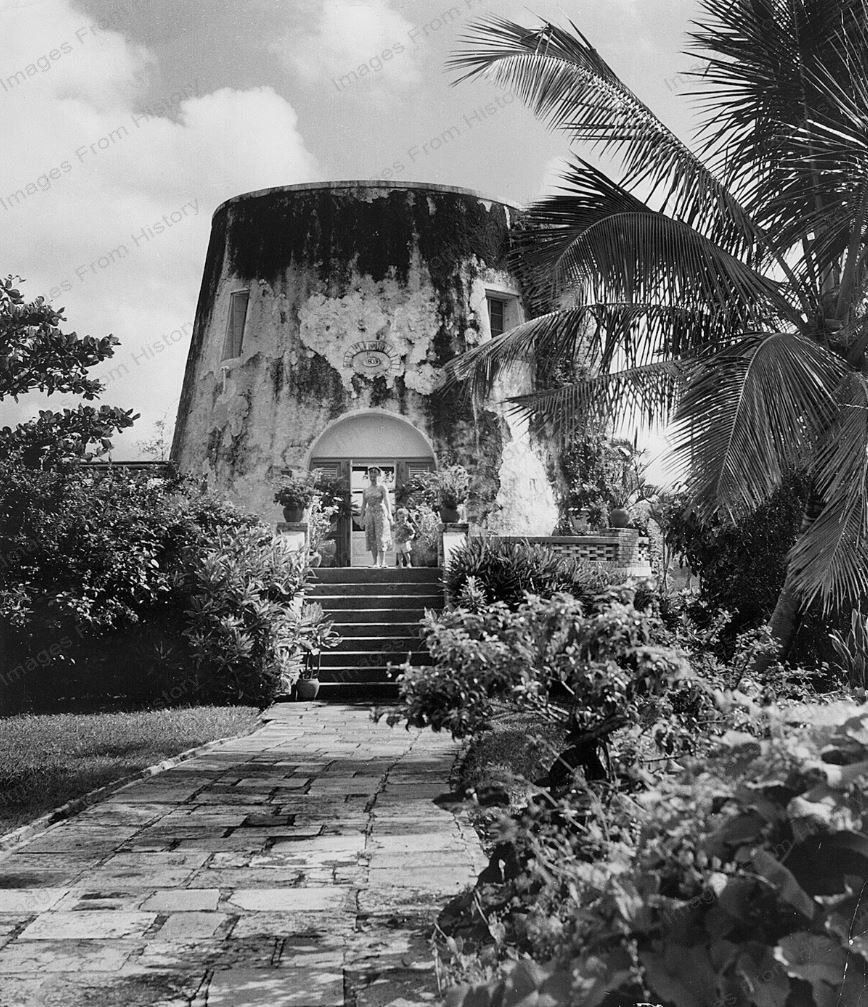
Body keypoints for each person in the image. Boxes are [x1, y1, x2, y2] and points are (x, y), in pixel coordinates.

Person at [359, 466, 393, 568]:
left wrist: (389, 514)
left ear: (378, 476)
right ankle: (375, 562)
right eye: (371, 475)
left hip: (380, 513)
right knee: (371, 536)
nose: (373, 477)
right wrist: (361, 518)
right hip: (370, 514)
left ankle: (382, 562)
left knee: (380, 536)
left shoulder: (382, 488)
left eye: (375, 475)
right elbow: (363, 505)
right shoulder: (366, 490)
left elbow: (387, 501)